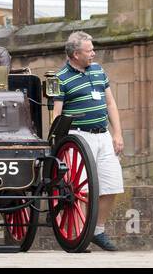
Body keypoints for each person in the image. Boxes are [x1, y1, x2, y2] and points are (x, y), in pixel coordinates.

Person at [51, 31, 124, 251]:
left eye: (93, 49)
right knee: (80, 191)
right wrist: (59, 143)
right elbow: (56, 114)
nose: (94, 53)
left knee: (112, 185)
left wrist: (117, 133)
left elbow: (110, 103)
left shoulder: (99, 71)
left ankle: (97, 230)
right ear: (75, 54)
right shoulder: (59, 78)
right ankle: (80, 236)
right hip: (78, 137)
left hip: (102, 135)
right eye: (89, 50)